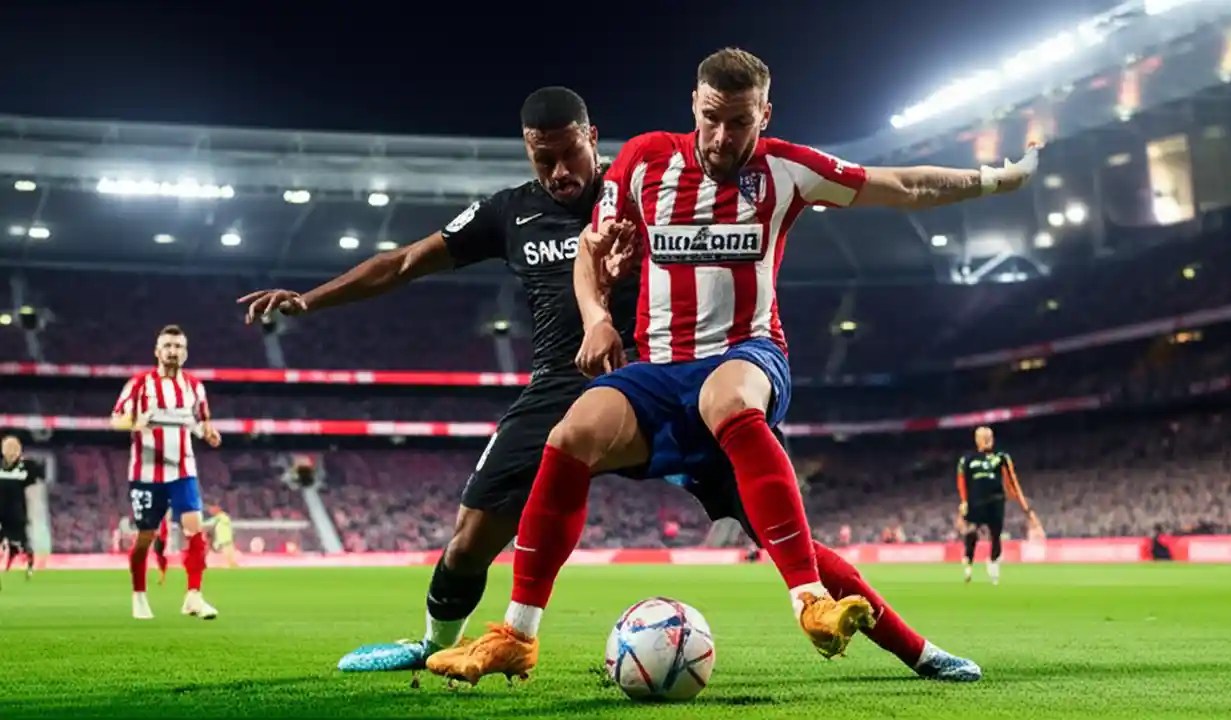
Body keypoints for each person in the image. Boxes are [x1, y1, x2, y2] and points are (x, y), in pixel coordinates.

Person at [243, 86, 983, 684]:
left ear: (594, 138)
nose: (559, 173)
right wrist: (312, 299)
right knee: (471, 539)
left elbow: (731, 239)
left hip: (669, 379)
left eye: (569, 155)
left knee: (788, 540)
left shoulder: (649, 185)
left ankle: (915, 650)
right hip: (561, 391)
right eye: (543, 161)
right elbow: (406, 262)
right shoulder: (511, 212)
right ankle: (433, 641)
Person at [426, 47, 1037, 686]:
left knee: (729, 405)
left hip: (747, 358)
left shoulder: (788, 169)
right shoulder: (643, 160)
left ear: (764, 116)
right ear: (694, 103)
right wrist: (597, 314)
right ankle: (516, 636)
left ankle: (827, 612)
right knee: (571, 432)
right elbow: (591, 248)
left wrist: (995, 180)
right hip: (657, 375)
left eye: (739, 122)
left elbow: (901, 185)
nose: (721, 137)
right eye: (712, 117)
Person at [110, 324, 222, 620]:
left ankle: (194, 596)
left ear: (185, 353)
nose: (173, 351)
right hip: (145, 474)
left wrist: (209, 433)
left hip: (183, 469)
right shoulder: (139, 384)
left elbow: (201, 421)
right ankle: (139, 595)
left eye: (178, 347)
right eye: (168, 346)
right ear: (157, 351)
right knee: (146, 536)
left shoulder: (195, 386)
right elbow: (115, 420)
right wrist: (135, 423)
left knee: (195, 527)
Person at [957, 426, 1039, 585]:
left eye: (989, 437)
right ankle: (968, 560)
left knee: (996, 534)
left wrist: (1025, 507)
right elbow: (961, 482)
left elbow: (1013, 482)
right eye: (983, 437)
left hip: (996, 500)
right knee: (972, 531)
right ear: (977, 440)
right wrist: (964, 501)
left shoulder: (1001, 457)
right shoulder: (967, 459)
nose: (987, 440)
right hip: (975, 501)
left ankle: (993, 563)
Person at [0, 435, 44, 584]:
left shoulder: (25, 467)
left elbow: (37, 475)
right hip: (2, 513)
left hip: (17, 513)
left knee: (23, 543)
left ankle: (30, 567)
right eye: (8, 448)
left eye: (14, 449)